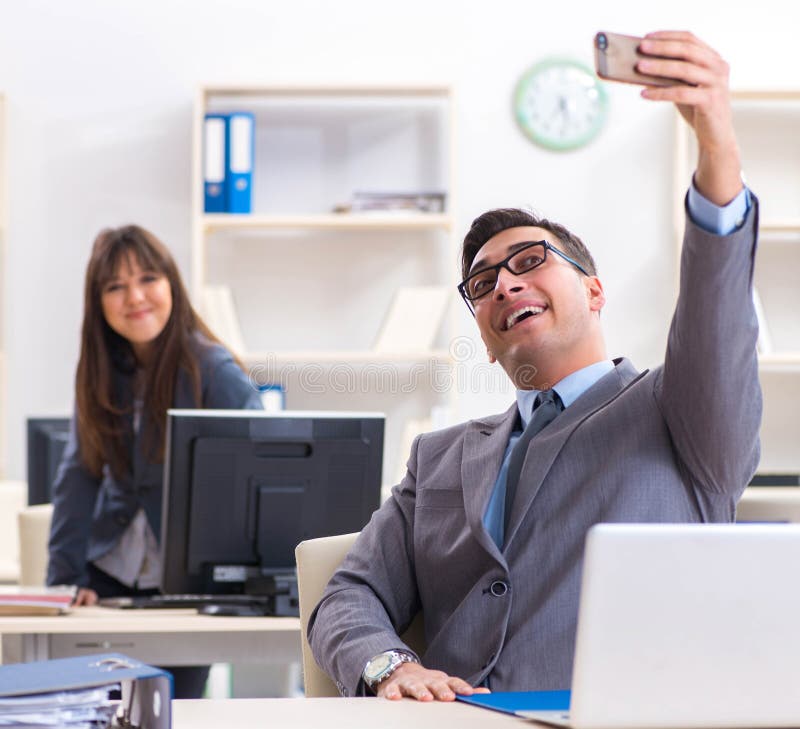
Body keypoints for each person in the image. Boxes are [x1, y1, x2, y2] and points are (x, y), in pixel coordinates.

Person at [308, 31, 761, 701]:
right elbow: (350, 592)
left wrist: (717, 153)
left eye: (529, 262)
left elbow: (716, 322)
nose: (503, 286)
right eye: (483, 283)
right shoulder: (437, 457)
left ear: (595, 290)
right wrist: (391, 667)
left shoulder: (682, 414)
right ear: (485, 337)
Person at [46, 224, 262, 697]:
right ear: (98, 303)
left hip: (186, 582)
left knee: (171, 706)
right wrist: (64, 579)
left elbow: (258, 472)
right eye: (115, 287)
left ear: (171, 283)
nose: (135, 297)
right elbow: (78, 477)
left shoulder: (212, 369)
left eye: (147, 279)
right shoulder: (101, 372)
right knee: (93, 707)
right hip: (109, 578)